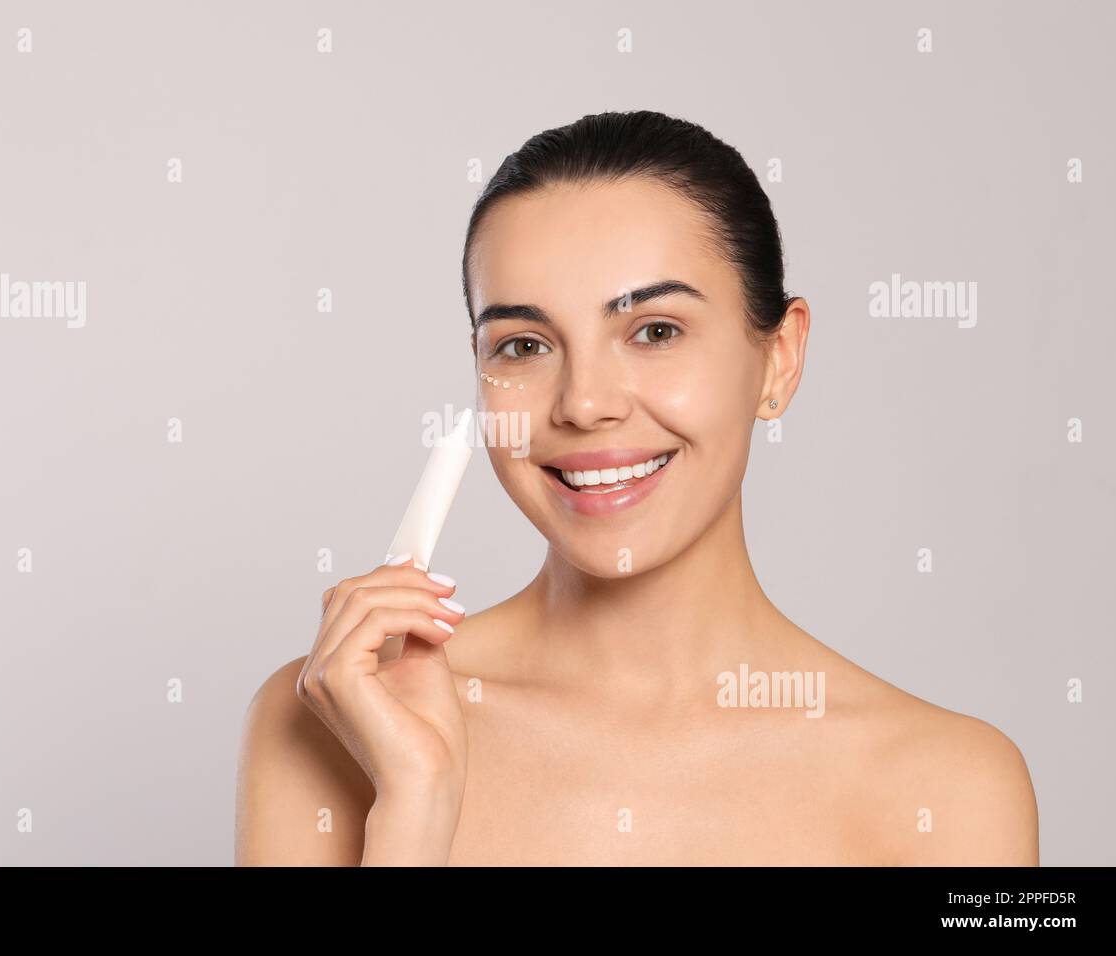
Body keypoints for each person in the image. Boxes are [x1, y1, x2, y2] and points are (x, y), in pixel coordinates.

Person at [235, 110, 1039, 866]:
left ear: (780, 359)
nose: (584, 404)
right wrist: (414, 805)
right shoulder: (331, 724)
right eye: (523, 345)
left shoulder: (954, 788)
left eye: (654, 331)